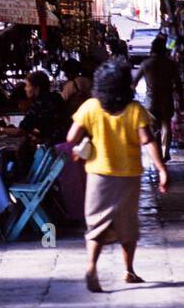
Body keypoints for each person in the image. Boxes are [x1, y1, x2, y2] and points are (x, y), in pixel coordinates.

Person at [68, 59, 170, 292]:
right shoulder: (135, 110)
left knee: (96, 224)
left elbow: (71, 137)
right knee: (128, 225)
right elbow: (147, 140)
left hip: (98, 174)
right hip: (128, 176)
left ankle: (92, 267)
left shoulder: (90, 107)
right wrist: (162, 169)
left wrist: (83, 144)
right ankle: (129, 271)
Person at [132, 35, 176, 162]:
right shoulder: (170, 64)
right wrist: (182, 100)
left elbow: (134, 82)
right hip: (167, 99)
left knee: (154, 128)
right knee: (166, 126)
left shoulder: (146, 64)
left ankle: (157, 152)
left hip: (151, 101)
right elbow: (177, 82)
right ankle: (166, 152)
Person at [19, 70, 70, 145]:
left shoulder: (39, 105)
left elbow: (22, 129)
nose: (25, 89)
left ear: (37, 88)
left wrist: (0, 129)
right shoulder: (56, 97)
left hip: (54, 145)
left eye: (28, 85)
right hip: (65, 142)